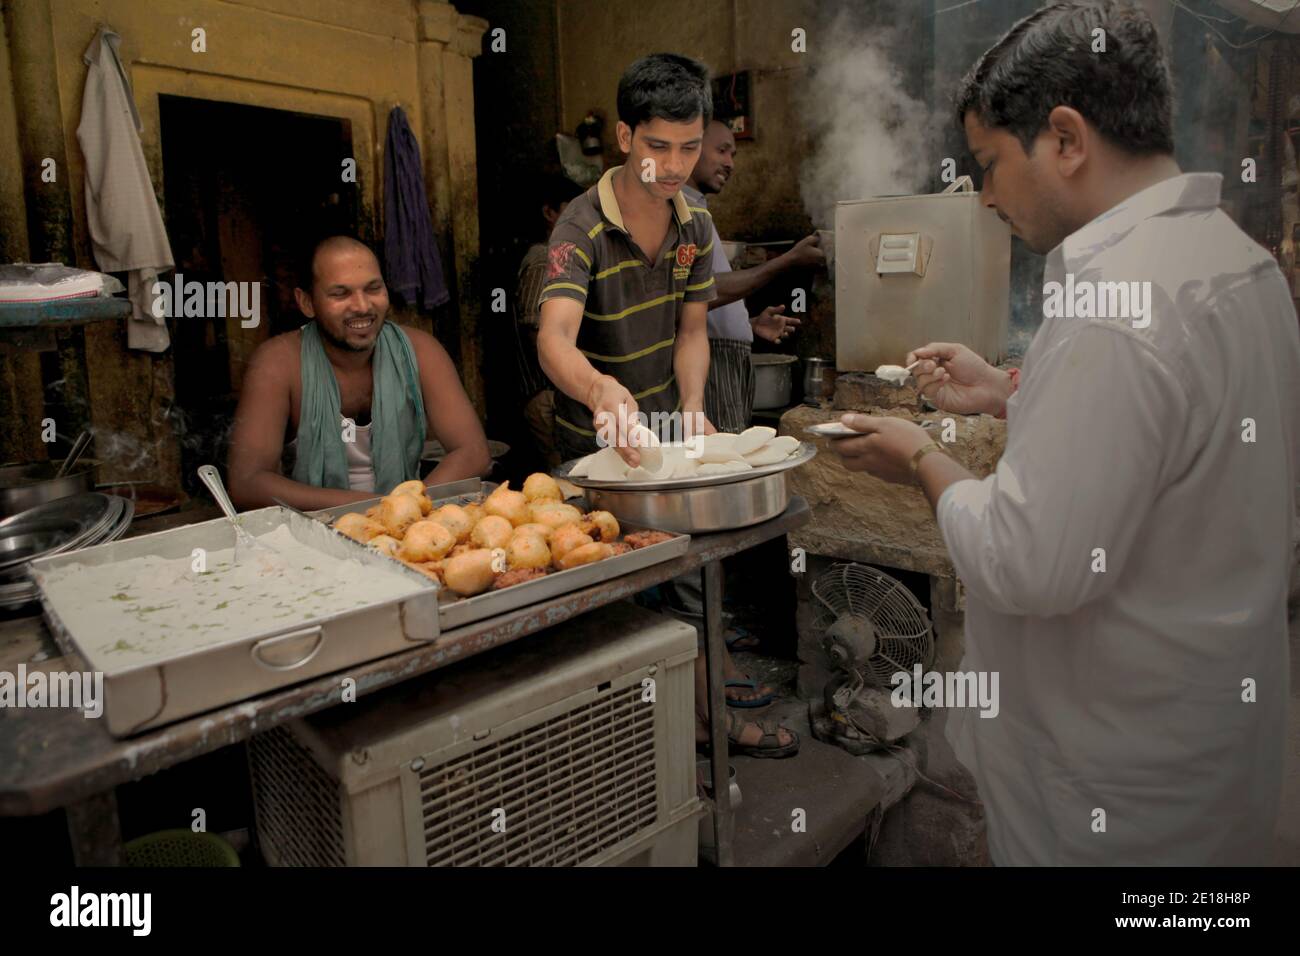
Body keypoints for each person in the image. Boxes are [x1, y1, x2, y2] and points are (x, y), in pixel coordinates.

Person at [830, 0, 1299, 864]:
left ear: (1066, 139)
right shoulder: (1240, 266)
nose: (985, 196)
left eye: (990, 164)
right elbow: (1172, 439)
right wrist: (1014, 391)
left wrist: (921, 457)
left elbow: (1029, 561)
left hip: (1115, 794)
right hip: (1208, 752)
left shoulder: (1113, 306)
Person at [538, 53, 798, 757]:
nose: (675, 166)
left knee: (692, 582)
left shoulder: (694, 227)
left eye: (689, 147)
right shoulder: (581, 229)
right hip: (593, 446)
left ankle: (707, 726)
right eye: (659, 146)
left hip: (664, 442)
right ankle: (639, 751)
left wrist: (691, 405)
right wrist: (600, 390)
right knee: (617, 603)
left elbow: (692, 332)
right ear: (626, 137)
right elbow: (555, 338)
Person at [228, 236, 490, 509]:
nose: (362, 306)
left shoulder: (420, 351)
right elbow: (248, 483)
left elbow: (473, 452)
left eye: (373, 288)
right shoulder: (278, 363)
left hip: (407, 521)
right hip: (311, 525)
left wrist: (412, 507)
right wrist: (377, 508)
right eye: (340, 294)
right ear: (307, 302)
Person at [683, 118, 825, 433]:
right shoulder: (681, 213)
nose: (730, 163)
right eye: (721, 150)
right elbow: (701, 290)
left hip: (729, 363)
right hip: (710, 366)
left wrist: (748, 325)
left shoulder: (699, 211)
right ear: (691, 147)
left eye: (732, 154)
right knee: (721, 457)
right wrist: (788, 260)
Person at [513, 174, 584, 469]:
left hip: (556, 394)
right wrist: (565, 382)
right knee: (564, 476)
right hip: (547, 396)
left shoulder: (563, 256)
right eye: (573, 209)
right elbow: (534, 329)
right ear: (549, 212)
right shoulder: (544, 259)